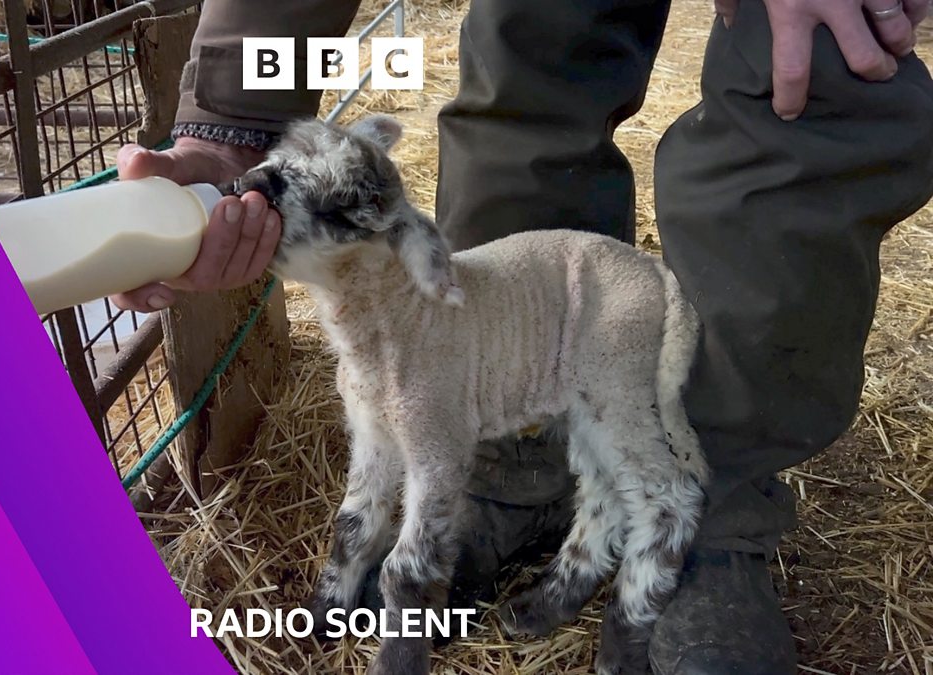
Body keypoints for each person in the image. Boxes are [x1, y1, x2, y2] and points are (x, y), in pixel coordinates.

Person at [112, 0, 933, 671]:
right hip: (465, 303)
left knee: (814, 59)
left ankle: (708, 505)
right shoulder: (374, 317)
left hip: (591, 293)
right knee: (534, 49)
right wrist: (229, 121)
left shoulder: (410, 262)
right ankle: (518, 471)